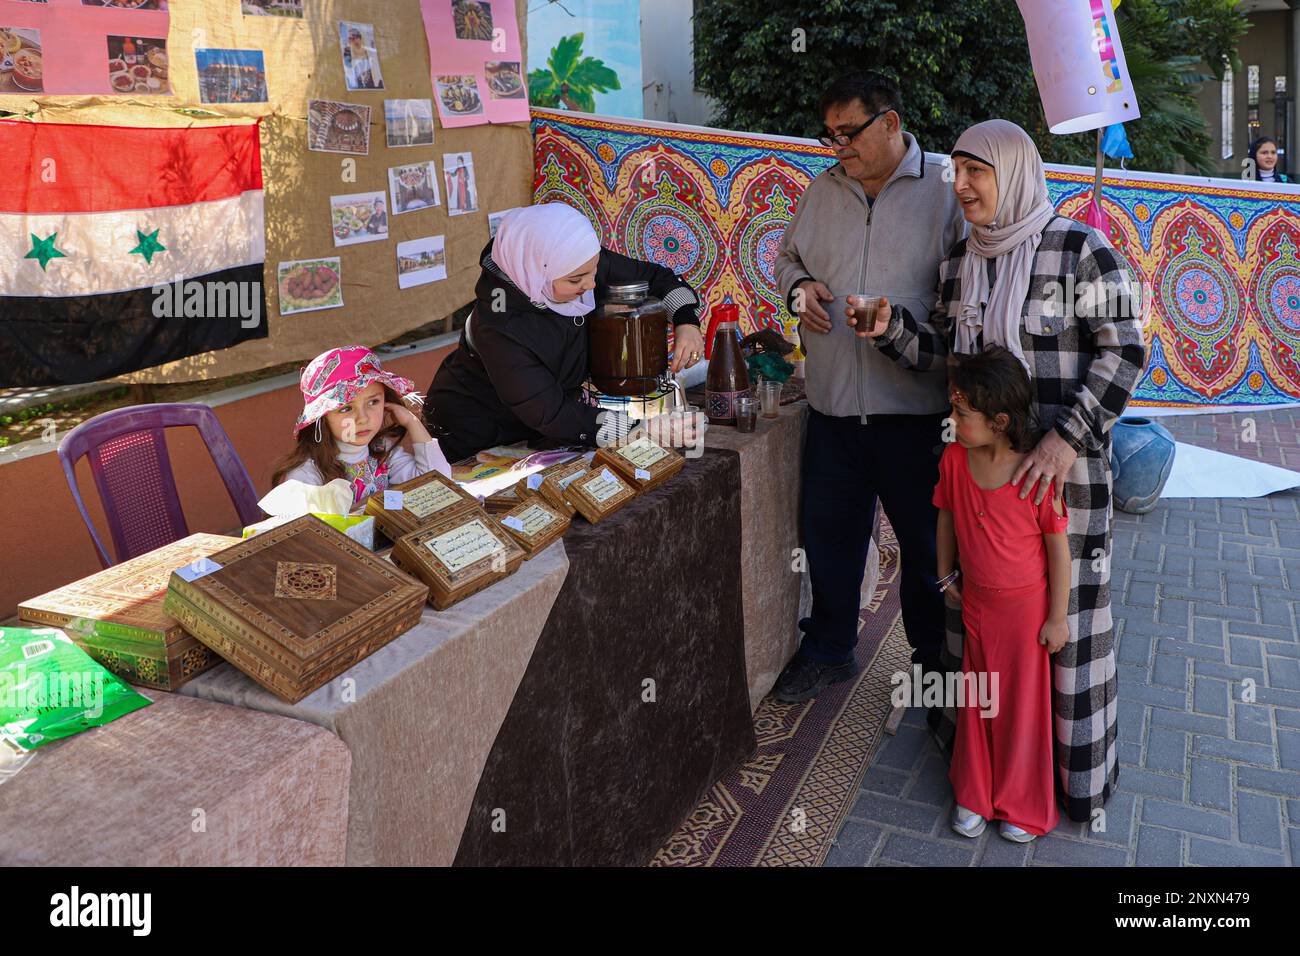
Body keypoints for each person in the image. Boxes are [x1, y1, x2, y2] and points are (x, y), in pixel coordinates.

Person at [850, 118, 1147, 821]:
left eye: (974, 171)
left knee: (1061, 627)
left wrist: (1065, 440)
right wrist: (890, 326)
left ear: (1012, 171)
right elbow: (950, 361)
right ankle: (981, 771)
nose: (960, 185)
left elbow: (1125, 350)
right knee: (976, 627)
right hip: (982, 485)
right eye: (954, 171)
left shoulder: (1081, 250)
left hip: (1061, 483)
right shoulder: (961, 261)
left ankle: (1068, 783)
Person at [770, 72, 966, 703]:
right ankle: (828, 647)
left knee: (923, 547)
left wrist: (897, 324)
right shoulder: (824, 189)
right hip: (831, 407)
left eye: (849, 134)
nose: (839, 149)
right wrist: (799, 290)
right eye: (829, 137)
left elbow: (966, 304)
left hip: (915, 415)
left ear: (890, 123)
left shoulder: (945, 192)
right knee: (828, 537)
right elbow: (787, 261)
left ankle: (932, 664)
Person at [425, 202, 707, 462]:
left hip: (541, 425)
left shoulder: (576, 262)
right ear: (535, 272)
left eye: (594, 271)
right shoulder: (500, 327)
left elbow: (659, 278)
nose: (591, 284)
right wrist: (642, 430)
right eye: (576, 280)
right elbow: (552, 413)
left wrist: (686, 321)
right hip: (477, 429)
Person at [935, 347, 1069, 844]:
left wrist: (1058, 618)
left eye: (961, 414)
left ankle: (1021, 802)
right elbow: (946, 516)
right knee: (976, 700)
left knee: (1020, 710)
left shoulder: (1034, 474)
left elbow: (1058, 550)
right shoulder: (954, 460)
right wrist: (946, 577)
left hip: (1025, 615)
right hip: (976, 608)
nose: (952, 420)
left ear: (999, 421)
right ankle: (974, 792)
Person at [274, 345, 452, 508]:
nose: (363, 418)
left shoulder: (382, 451)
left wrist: (411, 421)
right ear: (321, 417)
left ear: (386, 402)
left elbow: (438, 482)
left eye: (373, 402)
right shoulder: (306, 475)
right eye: (346, 408)